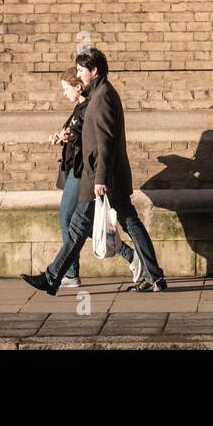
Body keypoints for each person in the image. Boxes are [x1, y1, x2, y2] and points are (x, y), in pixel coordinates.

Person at [23, 47, 168, 294]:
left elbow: (105, 143)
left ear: (94, 70)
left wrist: (100, 179)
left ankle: (53, 277)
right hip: (106, 177)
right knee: (128, 224)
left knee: (80, 225)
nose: (79, 75)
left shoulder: (102, 98)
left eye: (81, 70)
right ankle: (155, 277)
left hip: (100, 178)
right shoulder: (100, 94)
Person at [49, 67, 141, 288]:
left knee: (68, 221)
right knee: (81, 225)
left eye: (66, 89)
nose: (64, 93)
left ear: (78, 87)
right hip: (74, 170)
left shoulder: (90, 106)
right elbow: (74, 133)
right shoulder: (79, 108)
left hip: (83, 173)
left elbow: (95, 140)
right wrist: (61, 136)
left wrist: (73, 136)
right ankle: (129, 255)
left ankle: (70, 274)